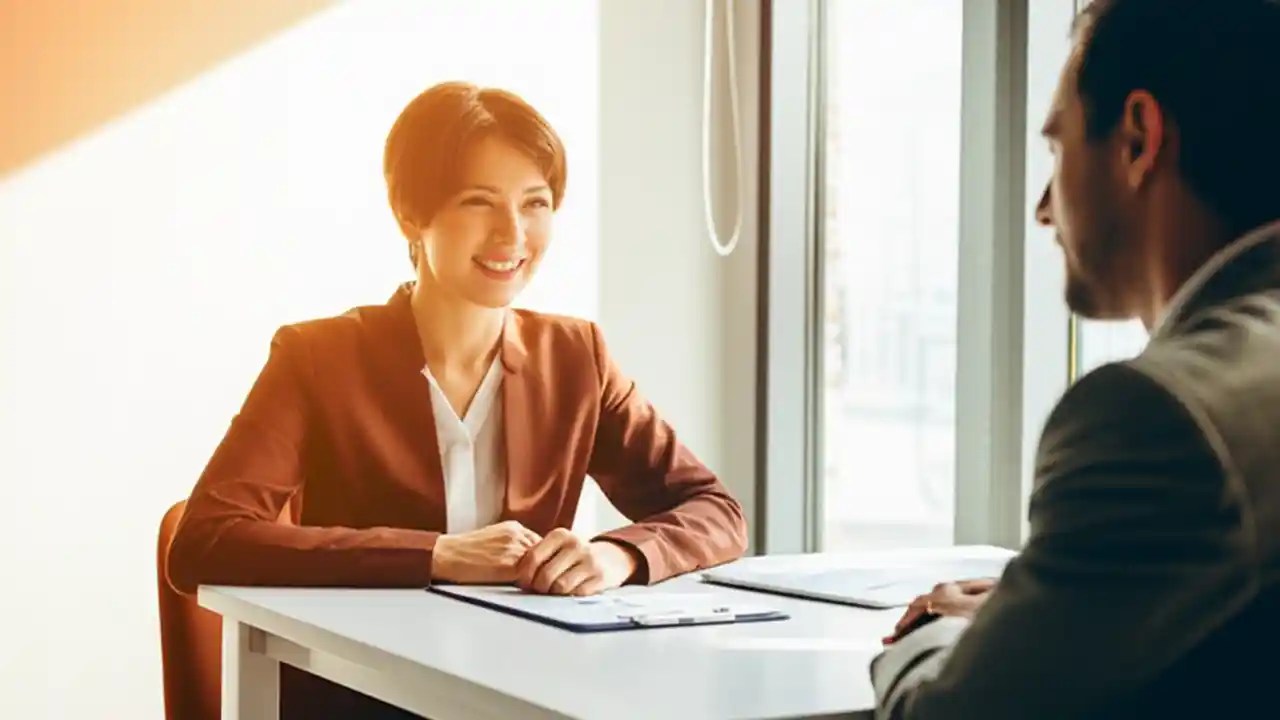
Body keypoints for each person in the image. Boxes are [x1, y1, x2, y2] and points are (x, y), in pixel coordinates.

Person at [167, 81, 748, 718]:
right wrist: (437, 555)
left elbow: (714, 510)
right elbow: (206, 539)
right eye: (479, 202)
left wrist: (618, 555)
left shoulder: (575, 357)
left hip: (526, 693)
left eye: (536, 203)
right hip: (361, 696)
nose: (513, 233)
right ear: (409, 215)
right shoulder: (318, 358)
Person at [872, 0, 1280, 717]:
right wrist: (1051, 615)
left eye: (1056, 150)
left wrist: (937, 639)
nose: (1042, 209)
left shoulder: (1159, 417)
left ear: (1137, 139)